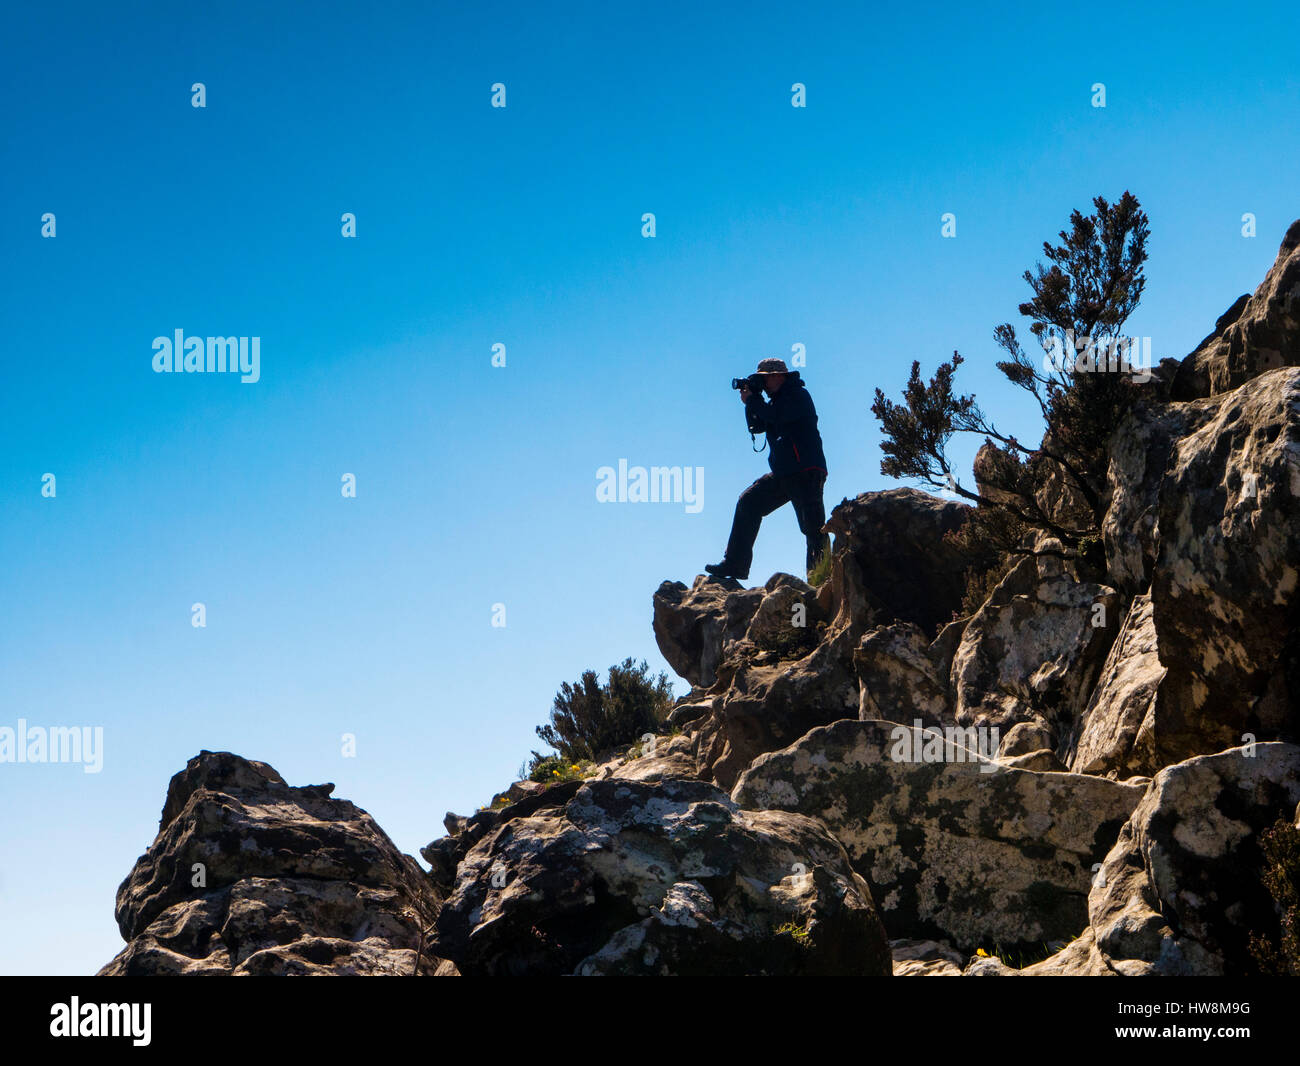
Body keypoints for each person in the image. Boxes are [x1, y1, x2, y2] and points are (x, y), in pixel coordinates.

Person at [706, 358, 829, 582]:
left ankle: (821, 581)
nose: (764, 383)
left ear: (778, 376)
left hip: (805, 470)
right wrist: (751, 401)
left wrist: (754, 400)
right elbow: (759, 425)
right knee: (748, 503)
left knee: (813, 528)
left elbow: (776, 417)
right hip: (785, 472)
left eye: (765, 378)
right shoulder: (774, 401)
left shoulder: (797, 395)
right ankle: (735, 564)